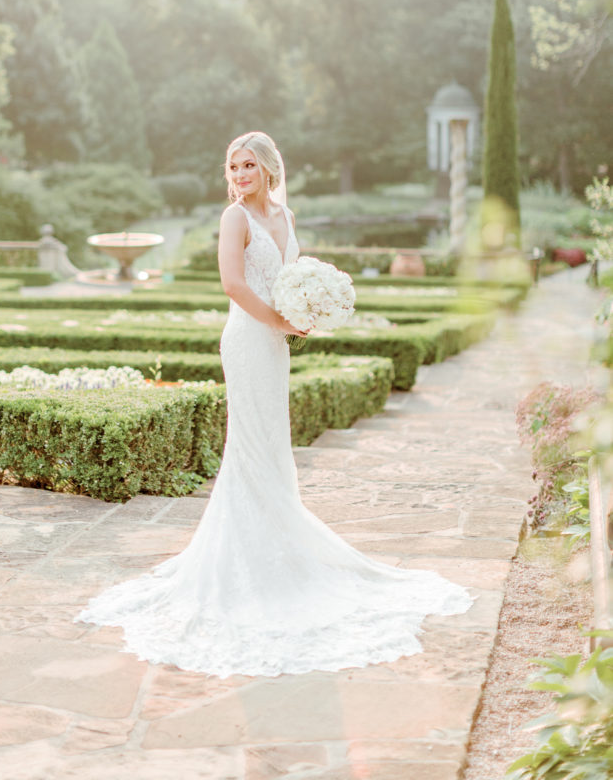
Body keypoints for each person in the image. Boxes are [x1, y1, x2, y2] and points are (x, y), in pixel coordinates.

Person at [75, 131, 472, 676]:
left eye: (247, 166)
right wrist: (281, 322)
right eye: (232, 167)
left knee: (273, 447)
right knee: (250, 445)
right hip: (247, 341)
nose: (238, 176)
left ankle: (281, 553)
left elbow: (288, 279)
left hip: (277, 345)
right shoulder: (233, 219)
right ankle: (252, 562)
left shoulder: (285, 218)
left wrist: (308, 312)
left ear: (268, 169)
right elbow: (233, 286)